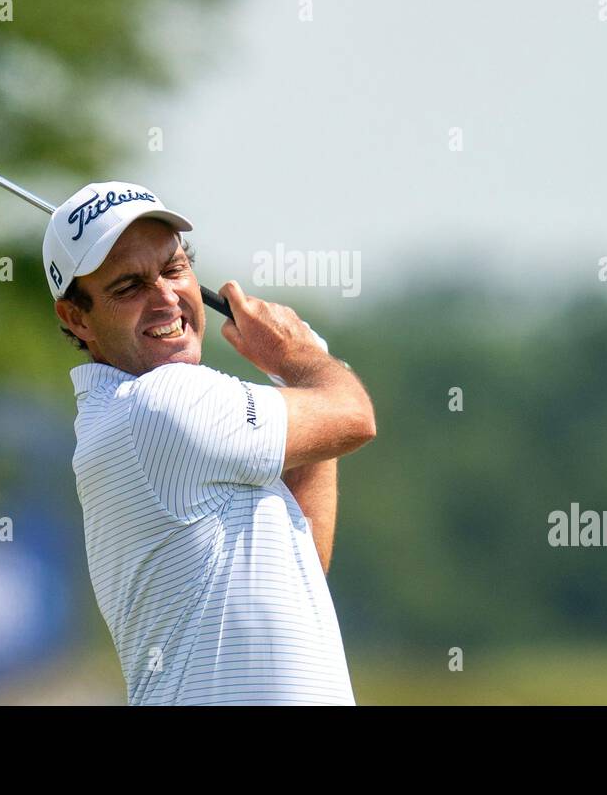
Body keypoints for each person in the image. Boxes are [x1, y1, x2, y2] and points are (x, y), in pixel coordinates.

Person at [43, 181, 376, 705]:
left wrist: (298, 376)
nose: (166, 298)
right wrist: (299, 359)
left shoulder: (125, 418)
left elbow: (303, 558)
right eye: (129, 286)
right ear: (77, 318)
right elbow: (354, 417)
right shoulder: (162, 404)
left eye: (174, 269)